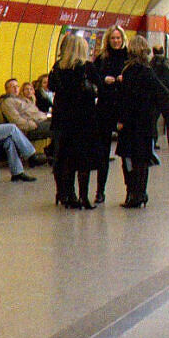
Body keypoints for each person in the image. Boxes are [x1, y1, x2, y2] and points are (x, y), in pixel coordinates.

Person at [115, 36, 169, 207]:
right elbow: (163, 93)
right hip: (144, 123)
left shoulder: (128, 72)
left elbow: (125, 99)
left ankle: (131, 192)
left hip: (129, 123)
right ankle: (140, 193)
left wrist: (121, 119)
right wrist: (153, 109)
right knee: (142, 160)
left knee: (128, 160)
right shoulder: (148, 71)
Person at [50, 32, 102, 209]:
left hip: (63, 120)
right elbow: (99, 87)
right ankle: (84, 197)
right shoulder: (87, 67)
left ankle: (69, 195)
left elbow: (51, 87)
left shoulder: (57, 68)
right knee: (84, 161)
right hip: (84, 120)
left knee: (67, 160)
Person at [90, 25, 130, 203]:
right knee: (102, 151)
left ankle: (130, 189)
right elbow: (93, 77)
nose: (116, 41)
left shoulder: (129, 58)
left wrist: (124, 80)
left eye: (118, 38)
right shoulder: (102, 58)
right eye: (113, 38)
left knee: (126, 150)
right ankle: (100, 191)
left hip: (123, 107)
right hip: (105, 108)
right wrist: (103, 79)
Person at [0, 77, 53, 143]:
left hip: (42, 120)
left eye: (17, 86)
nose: (16, 89)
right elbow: (16, 120)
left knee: (63, 121)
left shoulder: (21, 99)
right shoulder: (7, 102)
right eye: (13, 87)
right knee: (59, 127)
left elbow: (34, 111)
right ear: (7, 89)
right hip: (31, 127)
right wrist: (32, 125)